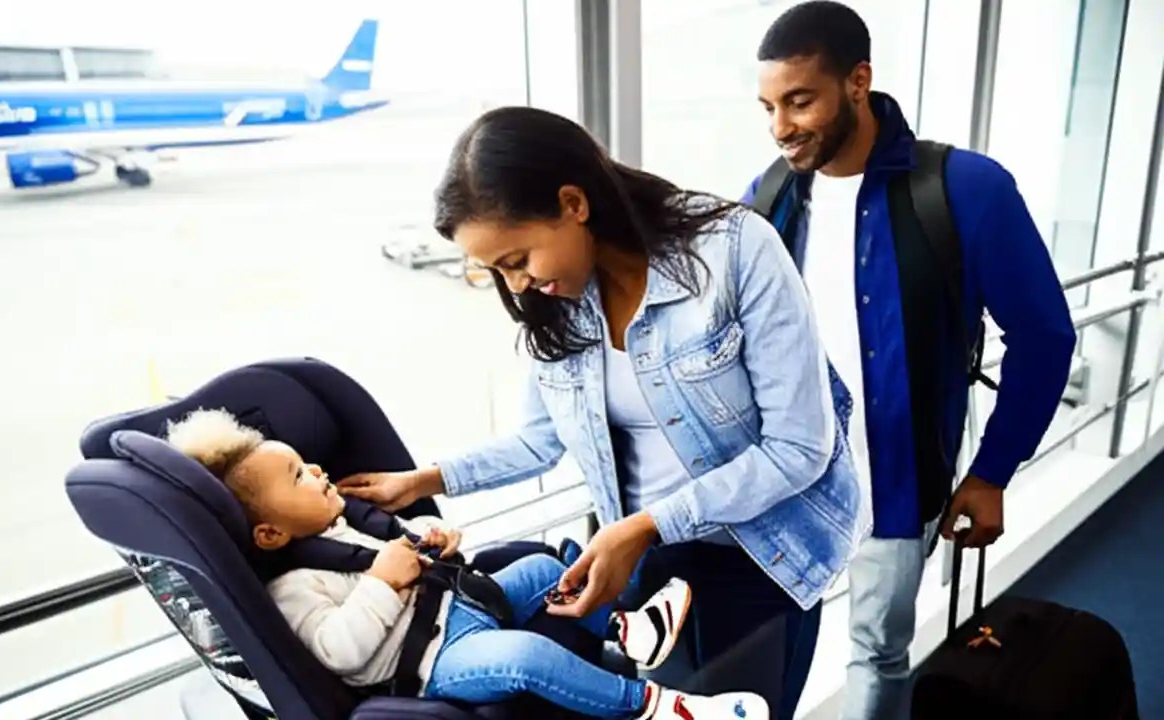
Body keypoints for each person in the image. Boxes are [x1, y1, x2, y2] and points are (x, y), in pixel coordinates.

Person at [337, 105, 867, 719]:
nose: (516, 287)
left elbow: (799, 448)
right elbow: (541, 442)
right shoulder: (560, 301)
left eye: (517, 260)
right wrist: (424, 480)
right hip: (650, 565)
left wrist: (643, 527)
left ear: (573, 203)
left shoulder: (734, 251)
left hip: (761, 553)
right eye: (496, 272)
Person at [744, 3, 1078, 719]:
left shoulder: (966, 188)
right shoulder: (768, 197)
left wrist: (991, 473)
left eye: (800, 101)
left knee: (875, 652)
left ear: (857, 81)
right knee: (767, 656)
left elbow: (1045, 337)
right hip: (784, 489)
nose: (781, 127)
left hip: (895, 487)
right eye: (769, 106)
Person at [165, 407, 767, 720]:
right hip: (435, 660)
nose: (317, 471)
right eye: (299, 476)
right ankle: (659, 705)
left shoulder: (348, 525)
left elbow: (406, 540)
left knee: (539, 569)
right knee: (526, 657)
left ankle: (624, 631)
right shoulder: (295, 586)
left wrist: (433, 536)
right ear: (269, 532)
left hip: (464, 604)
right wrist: (380, 584)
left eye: (307, 462)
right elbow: (339, 652)